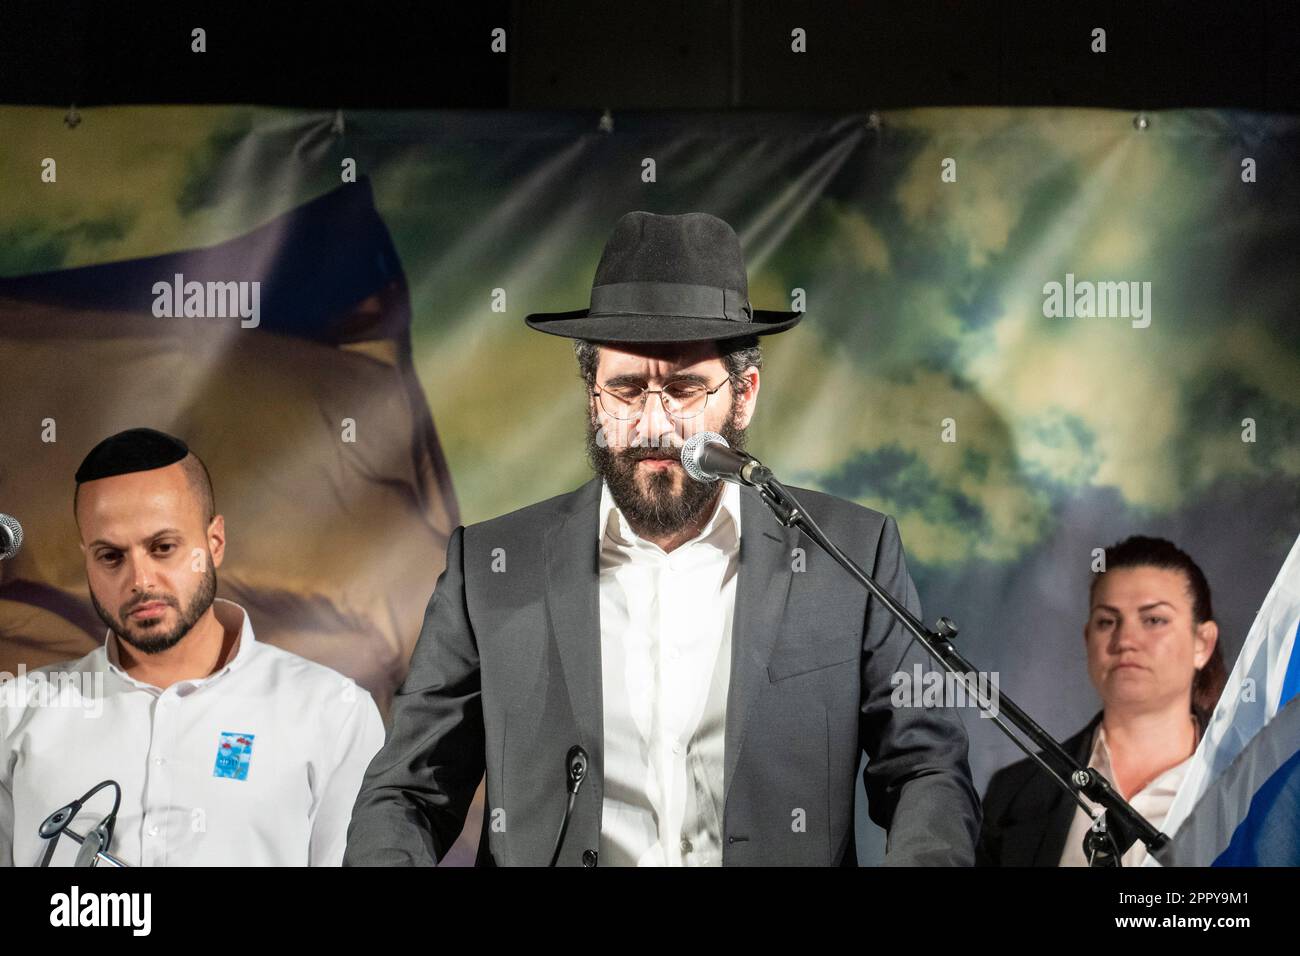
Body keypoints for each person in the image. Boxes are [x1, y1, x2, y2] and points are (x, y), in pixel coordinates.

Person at [345, 211, 980, 866]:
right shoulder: (491, 568)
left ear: (744, 395)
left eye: (682, 388)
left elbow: (924, 769)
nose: (653, 421)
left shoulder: (850, 554)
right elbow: (407, 794)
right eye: (625, 389)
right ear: (594, 399)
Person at [0, 428, 385, 865]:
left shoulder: (333, 714)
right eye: (111, 556)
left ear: (214, 542)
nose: (140, 581)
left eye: (163, 548)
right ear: (87, 559)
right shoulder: (13, 714)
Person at [978, 535, 1227, 866]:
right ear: (1088, 639)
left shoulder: (1254, 784)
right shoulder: (1015, 792)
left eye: (1154, 620)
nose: (1125, 640)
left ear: (1202, 643)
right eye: (1107, 622)